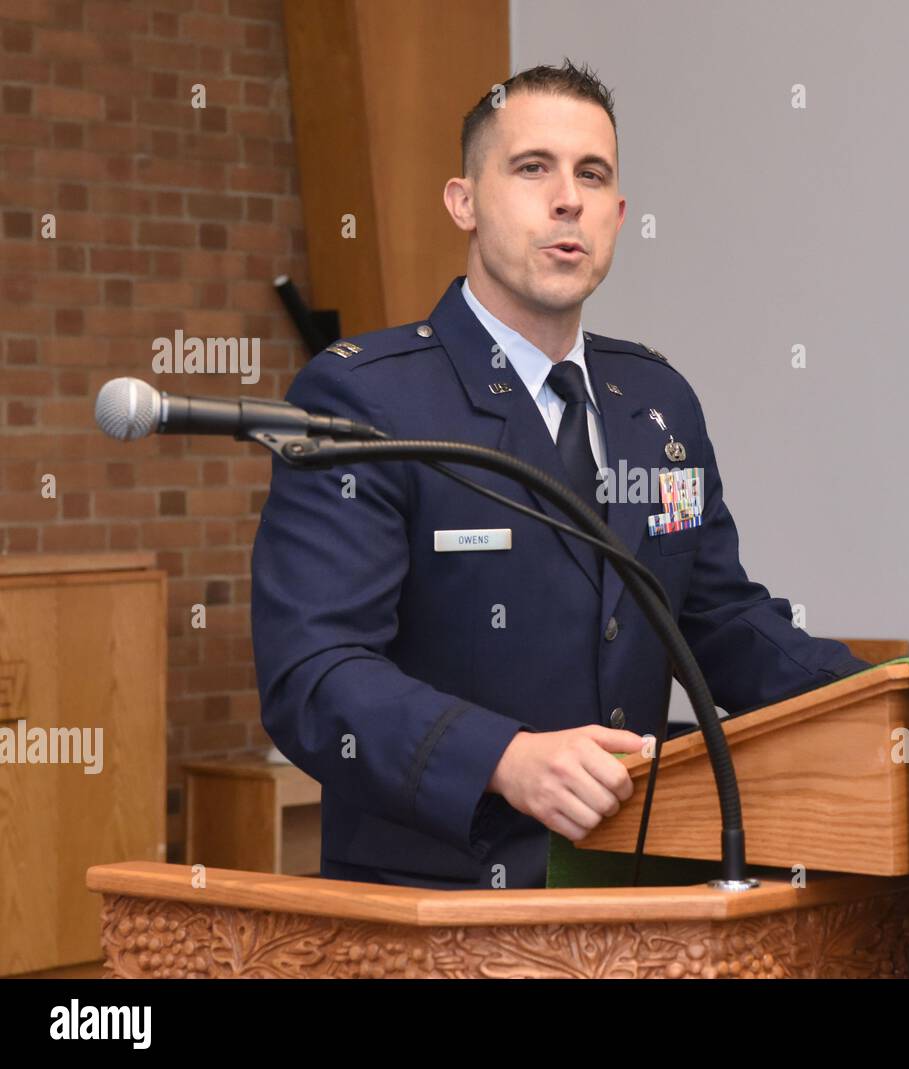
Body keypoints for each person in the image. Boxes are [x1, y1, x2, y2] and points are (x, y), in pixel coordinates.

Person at [251, 59, 871, 890]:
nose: (567, 198)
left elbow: (717, 620)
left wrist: (895, 704)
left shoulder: (656, 401)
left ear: (618, 216)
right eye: (532, 167)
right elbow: (314, 672)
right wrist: (500, 757)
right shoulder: (367, 397)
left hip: (638, 892)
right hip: (442, 905)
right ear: (463, 202)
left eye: (592, 175)